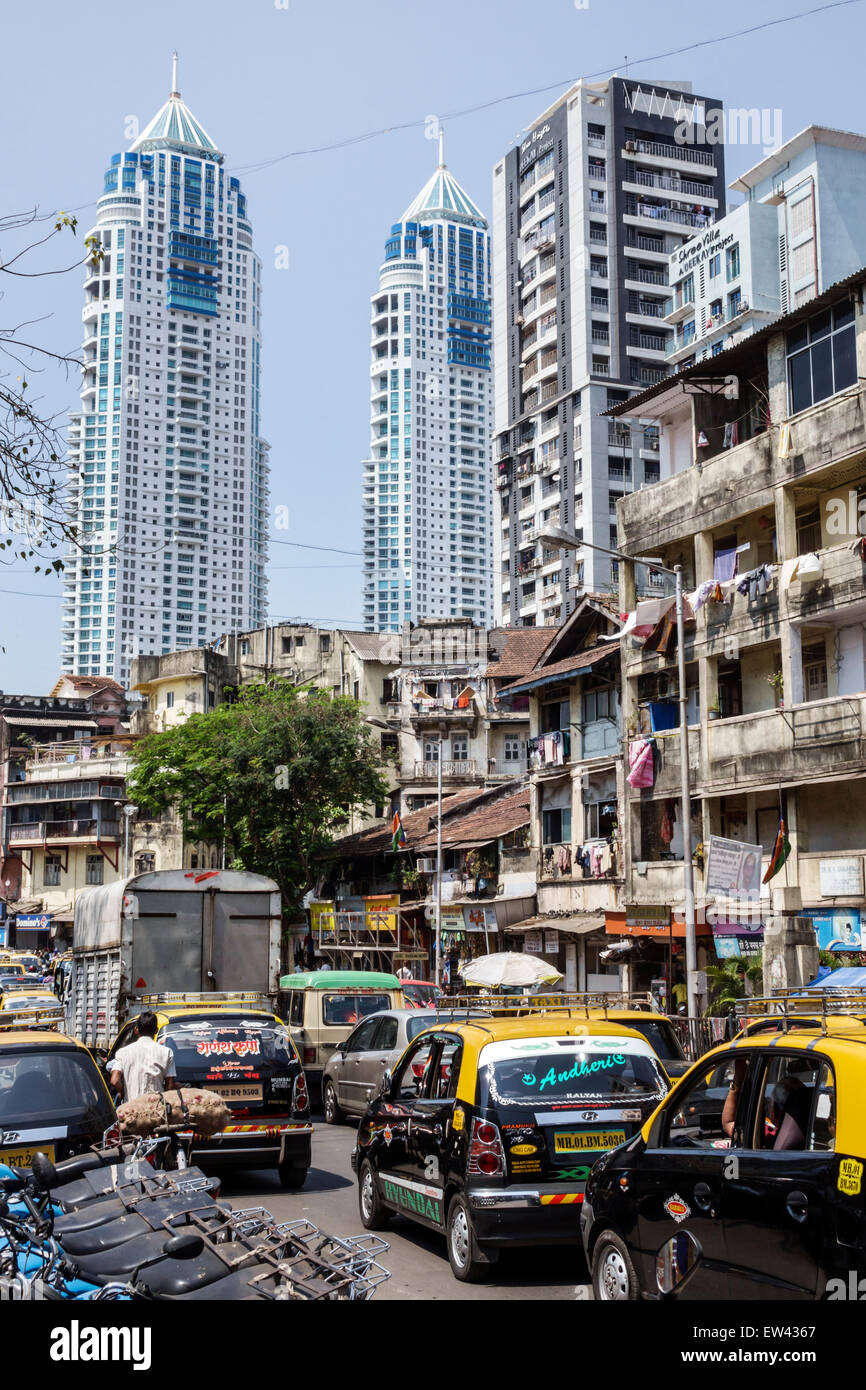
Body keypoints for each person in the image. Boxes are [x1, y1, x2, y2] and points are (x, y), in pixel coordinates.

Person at [109, 1011, 177, 1102]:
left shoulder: (123, 1052)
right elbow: (170, 1086)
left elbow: (115, 1080)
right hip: (155, 1110)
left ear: (136, 1030)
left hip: (131, 1108)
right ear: (156, 1030)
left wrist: (123, 1092)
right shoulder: (166, 1052)